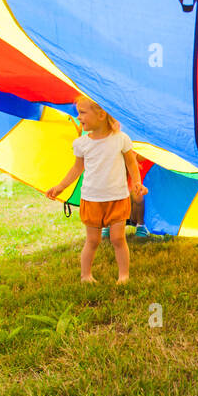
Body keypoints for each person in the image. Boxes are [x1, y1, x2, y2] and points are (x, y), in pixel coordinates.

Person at [46, 96, 146, 284]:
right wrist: (60, 187)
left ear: (101, 114)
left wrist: (137, 183)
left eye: (82, 112)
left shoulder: (121, 140)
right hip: (92, 199)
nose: (78, 117)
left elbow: (132, 163)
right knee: (93, 241)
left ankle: (123, 276)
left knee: (118, 239)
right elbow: (76, 168)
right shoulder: (82, 144)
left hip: (117, 198)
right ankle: (86, 276)